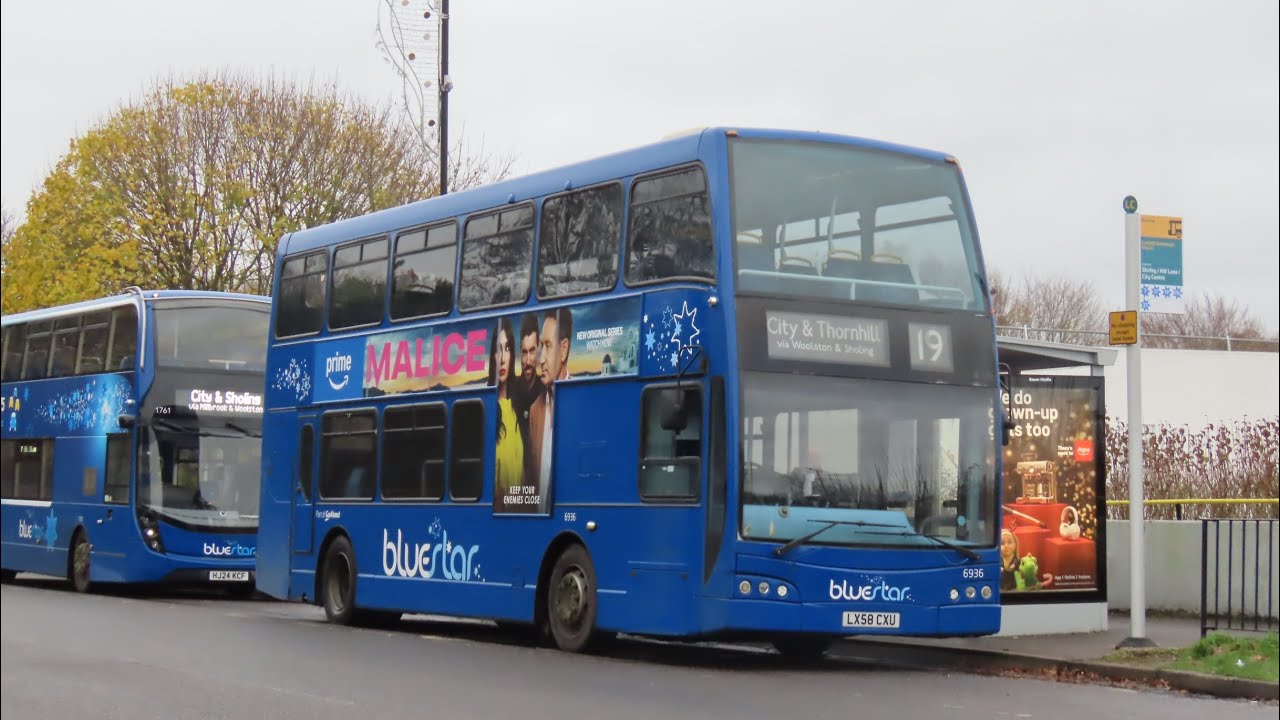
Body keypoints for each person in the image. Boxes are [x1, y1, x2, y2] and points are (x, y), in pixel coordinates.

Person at [527, 307, 573, 511]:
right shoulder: (535, 410)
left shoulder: (580, 403)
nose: (540, 359)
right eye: (540, 348)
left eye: (547, 346)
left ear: (563, 350)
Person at [488, 317, 525, 510]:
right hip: (497, 511)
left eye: (507, 348)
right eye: (498, 349)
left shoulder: (519, 408)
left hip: (520, 512)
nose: (503, 357)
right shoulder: (487, 410)